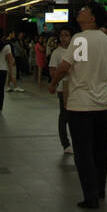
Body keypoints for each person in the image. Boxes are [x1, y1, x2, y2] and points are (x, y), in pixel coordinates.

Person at [48, 5, 107, 208]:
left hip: (80, 105)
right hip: (101, 103)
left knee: (83, 151)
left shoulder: (80, 39)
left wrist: (53, 84)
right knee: (101, 148)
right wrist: (96, 80)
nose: (80, 11)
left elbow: (65, 66)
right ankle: (100, 189)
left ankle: (90, 195)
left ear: (92, 18)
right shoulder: (105, 39)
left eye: (84, 9)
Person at [49, 27, 73, 155]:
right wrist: (62, 73)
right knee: (64, 116)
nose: (64, 38)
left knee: (75, 116)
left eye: (67, 35)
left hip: (76, 88)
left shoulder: (77, 50)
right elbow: (52, 71)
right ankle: (65, 143)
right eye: (62, 35)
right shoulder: (56, 53)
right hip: (62, 88)